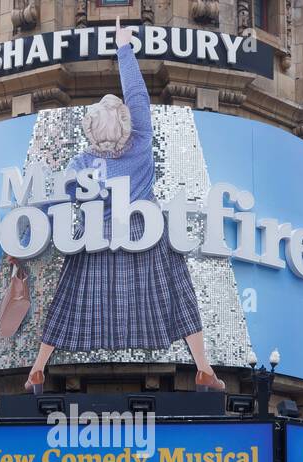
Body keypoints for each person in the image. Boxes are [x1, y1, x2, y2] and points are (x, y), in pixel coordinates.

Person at [21, 19, 225, 395]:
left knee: (68, 297)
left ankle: (37, 369)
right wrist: (124, 47)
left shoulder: (83, 162)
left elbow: (57, 201)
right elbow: (138, 95)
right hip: (144, 231)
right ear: (126, 124)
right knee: (178, 293)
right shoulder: (141, 142)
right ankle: (203, 368)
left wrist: (30, 236)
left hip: (98, 236)